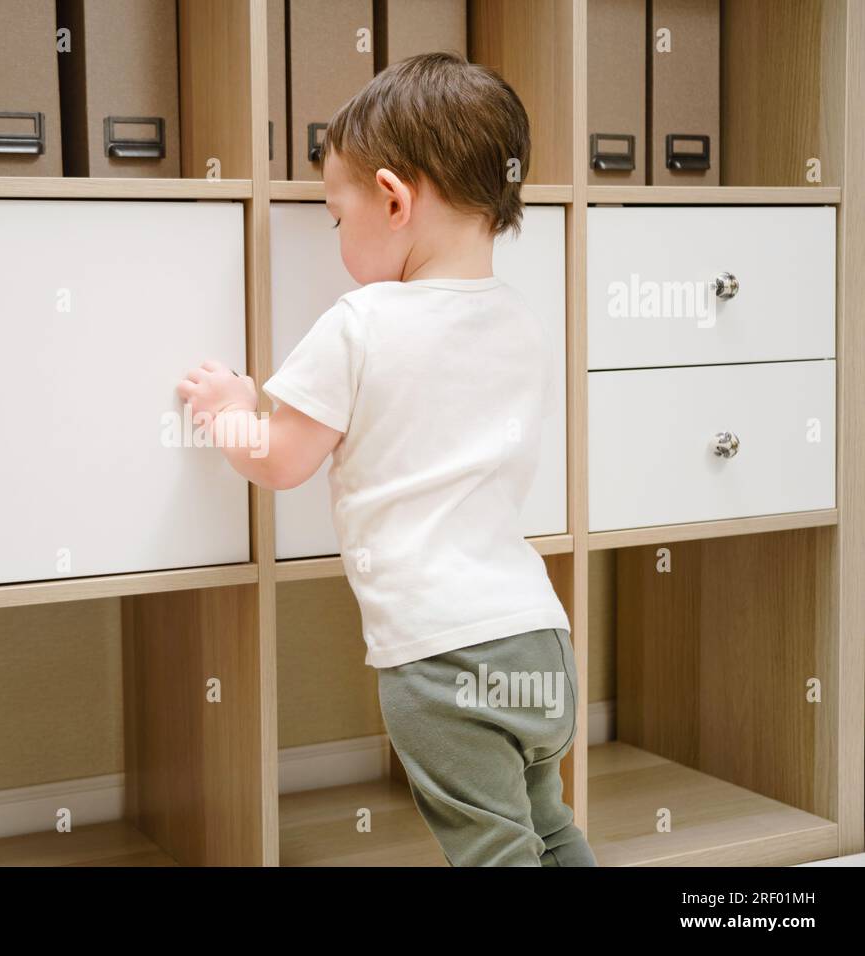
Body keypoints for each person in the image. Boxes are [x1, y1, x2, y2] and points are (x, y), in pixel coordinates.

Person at [177, 52, 597, 867]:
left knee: (493, 849)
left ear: (394, 199)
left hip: (444, 657)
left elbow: (279, 460)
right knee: (547, 827)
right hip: (539, 639)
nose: (337, 236)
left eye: (337, 216)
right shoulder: (522, 320)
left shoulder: (363, 319)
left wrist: (232, 407)